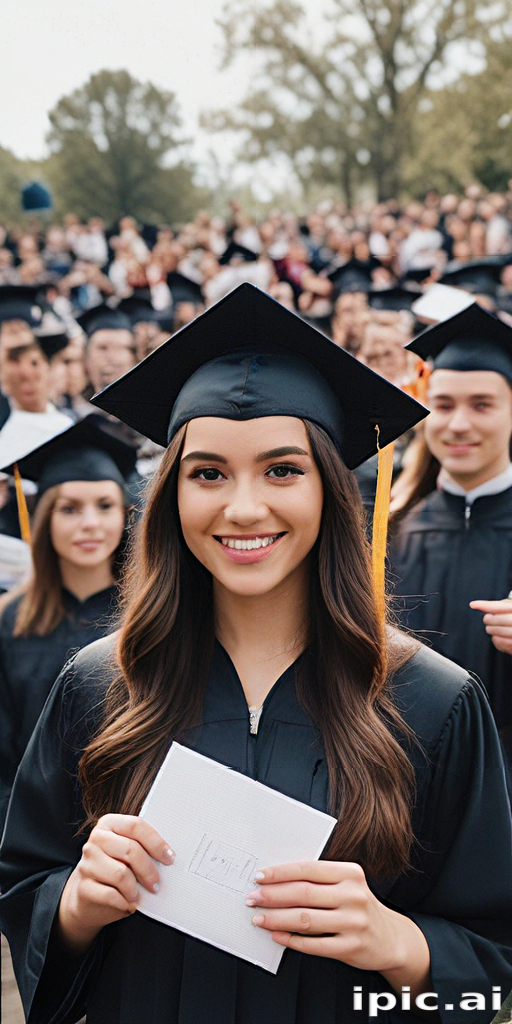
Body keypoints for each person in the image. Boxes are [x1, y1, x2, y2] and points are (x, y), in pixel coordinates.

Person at [1, 284, 512, 1024]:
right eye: (208, 473)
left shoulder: (431, 701)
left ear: (331, 491)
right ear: (171, 494)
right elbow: (26, 887)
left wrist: (399, 944)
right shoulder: (100, 687)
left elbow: (492, 970)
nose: (243, 507)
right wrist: (74, 904)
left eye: (282, 470)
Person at [0, 414, 136, 830]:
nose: (90, 523)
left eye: (105, 506)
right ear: (46, 521)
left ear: (125, 515)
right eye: (70, 509)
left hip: (129, 832)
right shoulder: (10, 622)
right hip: (23, 831)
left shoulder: (147, 616)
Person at [388, 303, 512, 756]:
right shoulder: (390, 527)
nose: (459, 424)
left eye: (482, 404)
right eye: (443, 405)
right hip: (401, 786)